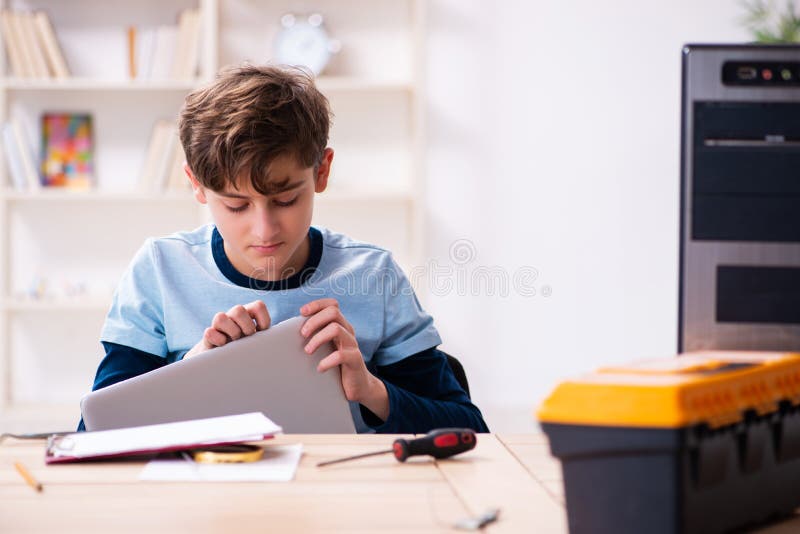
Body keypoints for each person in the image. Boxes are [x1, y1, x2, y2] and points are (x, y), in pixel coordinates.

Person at [79, 64, 488, 434]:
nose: (265, 230)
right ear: (197, 186)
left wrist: (369, 389)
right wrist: (194, 369)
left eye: (286, 199)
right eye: (236, 205)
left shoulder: (373, 275)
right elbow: (95, 435)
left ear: (322, 171)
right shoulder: (159, 270)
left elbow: (470, 429)